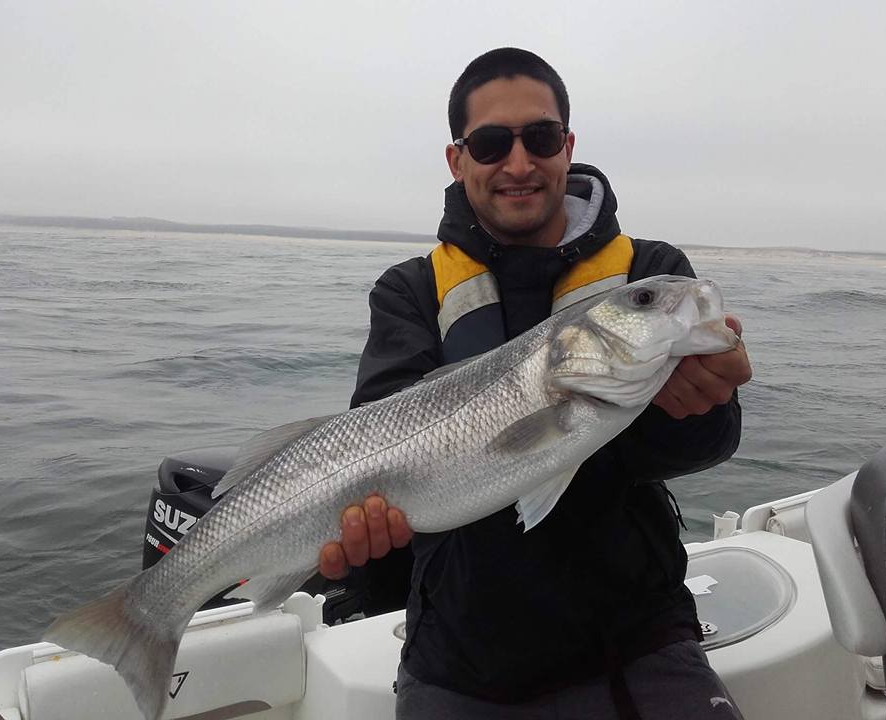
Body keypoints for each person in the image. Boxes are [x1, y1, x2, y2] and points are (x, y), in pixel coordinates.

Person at [318, 48, 752, 719]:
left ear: (567, 146)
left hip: (637, 641)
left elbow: (713, 440)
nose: (518, 164)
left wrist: (699, 406)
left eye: (540, 139)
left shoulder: (651, 273)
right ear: (457, 160)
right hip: (459, 657)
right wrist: (364, 532)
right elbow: (376, 436)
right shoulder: (410, 291)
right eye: (491, 144)